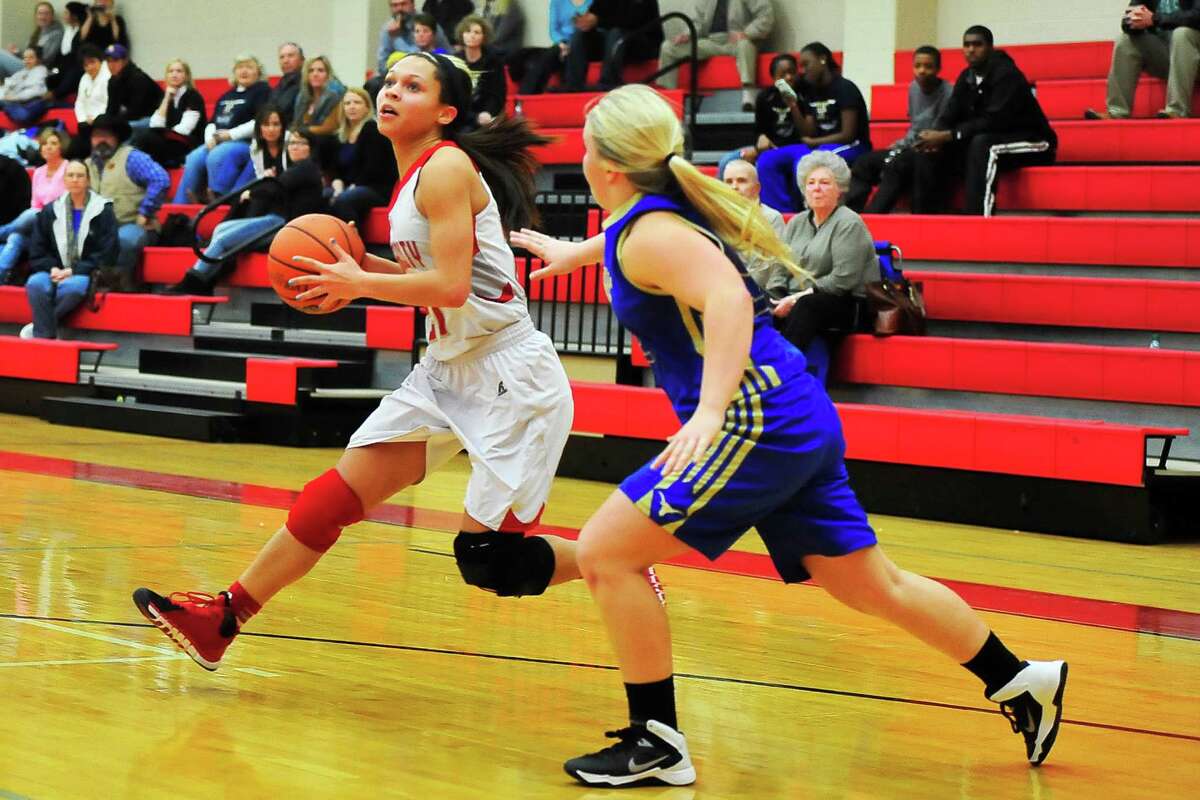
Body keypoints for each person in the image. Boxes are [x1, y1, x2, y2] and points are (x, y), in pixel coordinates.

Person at [512, 84, 1068, 787]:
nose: (581, 152)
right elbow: (644, 242)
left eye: (590, 143)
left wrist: (712, 411)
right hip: (793, 408)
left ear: (610, 167)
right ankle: (1022, 680)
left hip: (755, 421)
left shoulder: (651, 233)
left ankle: (656, 742)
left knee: (606, 554)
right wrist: (578, 251)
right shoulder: (648, 218)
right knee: (873, 586)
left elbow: (725, 297)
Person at [131, 53, 580, 675]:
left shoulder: (447, 166)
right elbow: (437, 280)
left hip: (510, 376)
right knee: (329, 500)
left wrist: (360, 281)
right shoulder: (412, 176)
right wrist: (364, 268)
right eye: (390, 81)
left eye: (412, 86)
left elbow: (450, 288)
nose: (391, 91)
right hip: (449, 368)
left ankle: (611, 557)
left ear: (445, 112)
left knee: (489, 562)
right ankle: (222, 619)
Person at [913, 25, 1057, 215]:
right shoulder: (967, 77)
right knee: (930, 148)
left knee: (982, 144)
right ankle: (927, 219)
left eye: (977, 44)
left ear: (990, 47)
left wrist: (948, 135)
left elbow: (994, 121)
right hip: (992, 139)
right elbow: (950, 113)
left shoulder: (1007, 75)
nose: (971, 49)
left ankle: (979, 219)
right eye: (967, 45)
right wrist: (935, 135)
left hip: (1035, 141)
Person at [165, 128, 321, 296]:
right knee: (220, 229)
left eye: (301, 143)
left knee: (223, 240)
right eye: (292, 143)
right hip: (276, 221)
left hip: (286, 226)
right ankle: (206, 280)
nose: (294, 147)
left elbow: (276, 187)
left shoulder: (306, 168)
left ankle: (192, 282)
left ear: (310, 148)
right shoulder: (295, 168)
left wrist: (252, 192)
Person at [773, 151, 878, 350]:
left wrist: (796, 298)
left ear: (839, 189)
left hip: (845, 303)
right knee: (753, 300)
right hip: (798, 298)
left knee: (807, 305)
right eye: (811, 183)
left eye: (825, 183)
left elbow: (843, 280)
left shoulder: (849, 222)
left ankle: (785, 371)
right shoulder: (797, 222)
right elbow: (780, 264)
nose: (817, 189)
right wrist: (777, 295)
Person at [756, 42, 871, 213]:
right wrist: (793, 105)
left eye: (806, 64)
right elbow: (807, 131)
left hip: (852, 145)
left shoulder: (845, 88)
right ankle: (779, 214)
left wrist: (815, 141)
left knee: (807, 162)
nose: (803, 70)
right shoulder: (812, 92)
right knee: (767, 160)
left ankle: (806, 213)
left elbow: (848, 134)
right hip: (820, 146)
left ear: (822, 59)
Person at [846, 45, 952, 214]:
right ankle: (851, 214)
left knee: (898, 164)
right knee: (864, 162)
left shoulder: (948, 93)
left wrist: (904, 148)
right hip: (911, 146)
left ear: (938, 69)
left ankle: (874, 217)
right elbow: (914, 127)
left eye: (928, 66)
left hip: (933, 152)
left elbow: (938, 133)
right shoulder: (913, 88)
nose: (922, 71)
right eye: (917, 66)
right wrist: (898, 145)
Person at [20, 160, 117, 340]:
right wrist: (53, 268)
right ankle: (47, 333)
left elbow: (107, 250)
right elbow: (37, 249)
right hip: (53, 270)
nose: (75, 180)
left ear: (88, 180)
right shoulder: (51, 210)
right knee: (35, 284)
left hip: (83, 271)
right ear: (64, 180)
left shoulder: (102, 210)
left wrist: (73, 270)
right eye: (70, 175)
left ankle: (41, 333)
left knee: (73, 288)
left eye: (80, 176)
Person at [172, 54, 271, 204]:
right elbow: (212, 123)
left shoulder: (262, 91)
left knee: (218, 154)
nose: (244, 71)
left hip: (246, 142)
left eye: (249, 67)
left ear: (258, 71)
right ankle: (182, 205)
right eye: (240, 67)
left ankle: (218, 199)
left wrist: (229, 135)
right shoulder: (227, 95)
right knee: (193, 157)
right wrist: (211, 140)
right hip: (219, 141)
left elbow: (260, 121)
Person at [86, 114, 169, 281]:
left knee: (124, 240)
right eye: (96, 136)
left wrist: (145, 212)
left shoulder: (131, 157)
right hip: (100, 228)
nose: (101, 140)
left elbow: (160, 179)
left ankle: (120, 285)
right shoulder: (87, 164)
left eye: (106, 135)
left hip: (133, 224)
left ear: (117, 137)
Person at [1087, 1, 1200, 120]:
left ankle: (1177, 110)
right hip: (1169, 58)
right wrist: (1136, 22)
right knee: (1125, 40)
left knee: (1182, 34)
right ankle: (1116, 111)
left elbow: (1197, 16)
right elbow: (1127, 20)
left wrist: (1154, 19)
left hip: (1194, 56)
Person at [657, 0, 775, 111]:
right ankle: (667, 99)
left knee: (745, 45)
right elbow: (698, 22)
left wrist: (747, 33)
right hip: (711, 41)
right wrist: (687, 34)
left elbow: (766, 16)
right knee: (668, 47)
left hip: (737, 40)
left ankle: (748, 93)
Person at [716, 52, 802, 183]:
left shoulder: (804, 95)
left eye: (792, 72)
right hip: (766, 148)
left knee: (768, 163)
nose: (789, 77)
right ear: (774, 78)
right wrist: (760, 138)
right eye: (783, 75)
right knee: (727, 161)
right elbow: (758, 130)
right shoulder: (765, 97)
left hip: (793, 148)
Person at [0, 128, 69, 283]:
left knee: (32, 214)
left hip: (59, 222)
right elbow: (35, 203)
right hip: (37, 225)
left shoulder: (69, 169)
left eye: (53, 143)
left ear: (62, 146)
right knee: (15, 238)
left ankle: (2, 231)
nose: (48, 147)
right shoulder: (39, 172)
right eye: (44, 143)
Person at [329, 89, 399, 229]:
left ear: (367, 107)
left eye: (357, 102)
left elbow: (373, 167)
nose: (352, 106)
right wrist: (337, 183)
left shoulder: (373, 129)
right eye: (347, 103)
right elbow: (336, 168)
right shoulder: (341, 135)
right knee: (325, 195)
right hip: (353, 185)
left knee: (344, 200)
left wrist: (354, 185)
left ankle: (353, 244)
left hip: (377, 188)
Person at [560, 0, 663, 92]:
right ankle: (574, 84)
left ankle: (608, 82)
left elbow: (631, 22)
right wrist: (583, 22)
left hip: (641, 41)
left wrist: (597, 21)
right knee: (580, 33)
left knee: (616, 33)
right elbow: (594, 15)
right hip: (613, 43)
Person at [720, 158, 786, 294]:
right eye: (728, 182)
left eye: (741, 181)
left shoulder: (771, 218)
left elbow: (772, 267)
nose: (734, 187)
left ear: (757, 188)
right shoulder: (715, 217)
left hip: (760, 293)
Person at [131, 59, 206, 168]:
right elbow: (155, 124)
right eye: (171, 71)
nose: (174, 74)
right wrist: (166, 98)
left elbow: (185, 129)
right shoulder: (166, 96)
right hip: (169, 140)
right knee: (143, 137)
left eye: (179, 71)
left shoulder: (193, 96)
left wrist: (163, 134)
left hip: (188, 142)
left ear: (186, 75)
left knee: (147, 139)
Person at [519, 0, 594, 94]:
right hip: (563, 43)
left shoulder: (593, 2)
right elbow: (553, 30)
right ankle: (526, 95)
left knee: (573, 49)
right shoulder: (557, 2)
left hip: (585, 43)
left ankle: (572, 87)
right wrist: (561, 43)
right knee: (547, 56)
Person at [227, 104, 289, 197]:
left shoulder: (291, 142)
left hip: (288, 193)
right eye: (266, 124)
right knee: (241, 198)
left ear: (282, 127)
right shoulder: (255, 146)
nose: (271, 129)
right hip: (268, 192)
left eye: (276, 124)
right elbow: (260, 177)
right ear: (259, 128)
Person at [456, 14, 506, 127]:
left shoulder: (493, 62)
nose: (471, 36)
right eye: (468, 31)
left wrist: (488, 113)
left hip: (487, 116)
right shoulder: (455, 61)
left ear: (484, 37)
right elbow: (454, 96)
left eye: (476, 32)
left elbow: (497, 94)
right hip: (462, 116)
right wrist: (473, 117)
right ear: (462, 35)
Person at [377, 0, 452, 73]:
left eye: (403, 4)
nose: (399, 9)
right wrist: (393, 38)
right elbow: (382, 65)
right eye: (395, 5)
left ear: (413, 4)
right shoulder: (388, 30)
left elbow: (448, 54)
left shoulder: (426, 21)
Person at [102, 44, 163, 129]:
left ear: (125, 61)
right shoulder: (113, 81)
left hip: (152, 118)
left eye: (115, 60)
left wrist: (115, 122)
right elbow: (112, 109)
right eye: (108, 61)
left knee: (122, 129)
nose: (111, 65)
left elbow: (137, 111)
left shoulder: (138, 78)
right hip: (135, 117)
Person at [66, 43, 108, 158]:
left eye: (92, 62)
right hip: (86, 123)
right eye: (86, 65)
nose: (89, 67)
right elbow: (79, 103)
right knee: (72, 150)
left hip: (104, 122)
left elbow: (110, 103)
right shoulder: (84, 78)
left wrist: (95, 118)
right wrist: (83, 120)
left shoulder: (108, 77)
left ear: (100, 60)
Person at [291, 55, 346, 139]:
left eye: (320, 70)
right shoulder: (302, 97)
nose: (315, 74)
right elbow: (296, 124)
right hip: (304, 144)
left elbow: (329, 128)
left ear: (328, 75)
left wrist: (301, 131)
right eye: (311, 71)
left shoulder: (335, 96)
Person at [46, 2, 89, 103]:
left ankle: (55, 96)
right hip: (63, 64)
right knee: (50, 76)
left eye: (66, 13)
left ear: (74, 16)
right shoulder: (67, 30)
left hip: (75, 65)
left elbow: (76, 53)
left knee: (71, 75)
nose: (63, 16)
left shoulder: (81, 31)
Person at [0, 46, 49, 126]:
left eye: (31, 57)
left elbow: (34, 91)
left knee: (21, 115)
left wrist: (13, 98)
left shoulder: (41, 71)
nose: (27, 60)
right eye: (25, 58)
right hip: (14, 103)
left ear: (38, 59)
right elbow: (8, 85)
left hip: (28, 104)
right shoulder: (22, 72)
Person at [268, 42, 305, 119]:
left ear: (302, 60)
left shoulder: (307, 85)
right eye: (282, 57)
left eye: (290, 56)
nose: (285, 61)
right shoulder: (277, 87)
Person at [26, 2, 64, 72]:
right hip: (28, 66)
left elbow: (47, 58)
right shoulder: (37, 32)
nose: (43, 17)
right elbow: (27, 53)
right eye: (40, 13)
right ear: (36, 16)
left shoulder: (57, 34)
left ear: (52, 16)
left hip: (40, 70)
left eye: (46, 14)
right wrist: (17, 53)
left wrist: (27, 60)